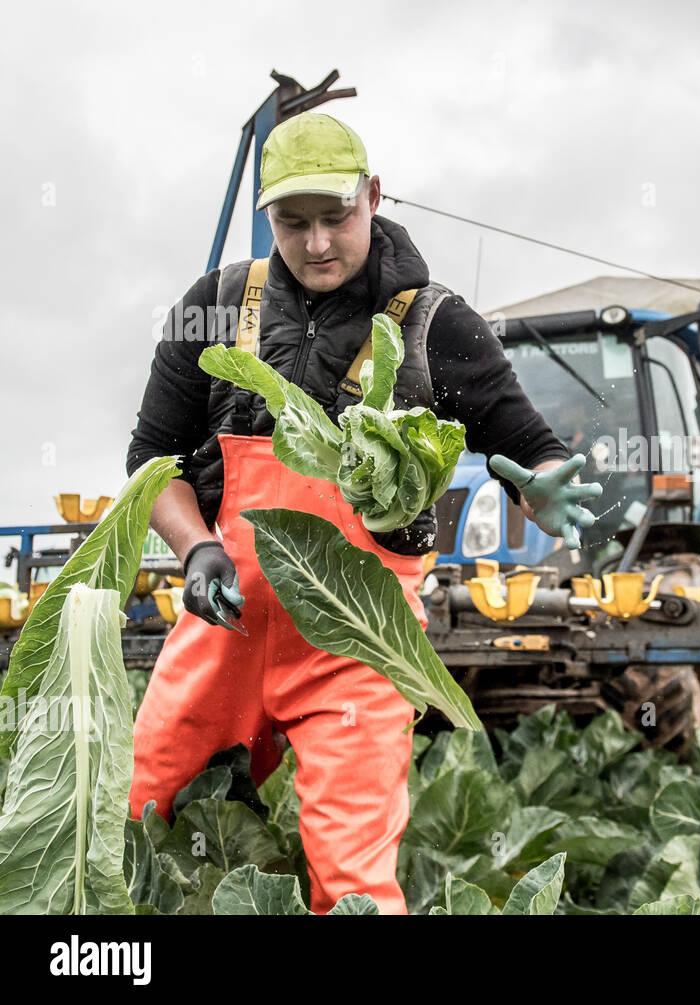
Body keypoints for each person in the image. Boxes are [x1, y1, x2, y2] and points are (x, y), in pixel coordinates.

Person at [126, 112, 600, 912]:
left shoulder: (433, 323)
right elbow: (151, 461)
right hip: (223, 623)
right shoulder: (214, 305)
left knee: (352, 877)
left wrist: (545, 486)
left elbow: (527, 444)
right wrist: (196, 548)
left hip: (359, 640)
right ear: (267, 218)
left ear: (373, 197)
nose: (316, 243)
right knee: (144, 820)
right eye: (292, 222)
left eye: (335, 217)